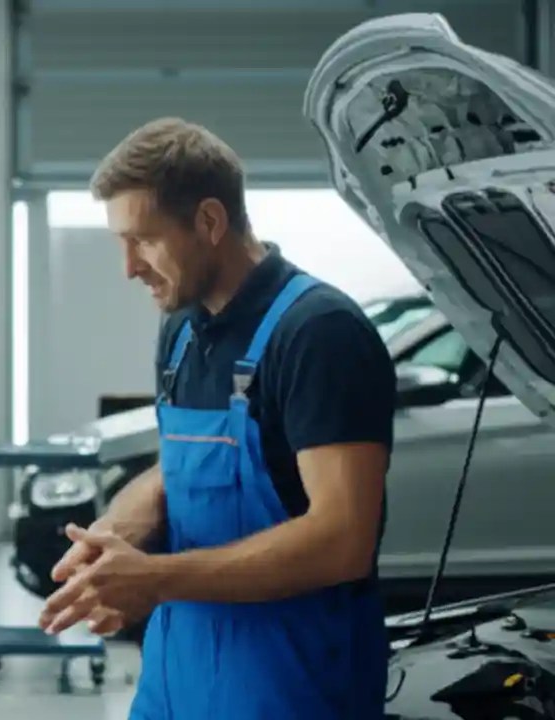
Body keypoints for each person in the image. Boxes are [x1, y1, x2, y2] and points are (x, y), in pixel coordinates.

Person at [38, 119, 394, 718]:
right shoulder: (180, 331)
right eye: (120, 242)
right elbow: (180, 468)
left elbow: (343, 539)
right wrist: (115, 538)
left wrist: (154, 580)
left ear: (209, 221)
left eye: (144, 240)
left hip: (290, 686)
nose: (128, 267)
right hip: (176, 677)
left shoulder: (318, 334)